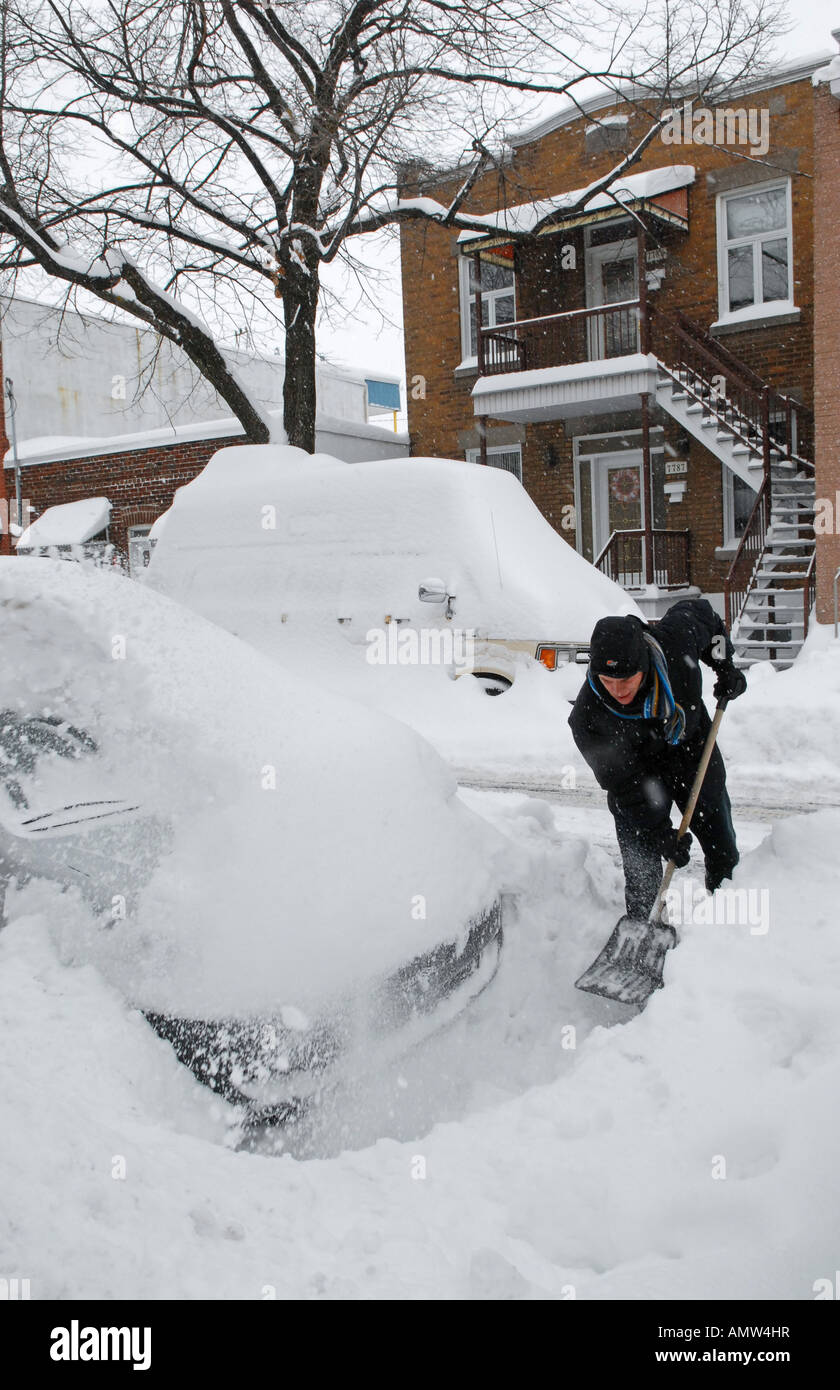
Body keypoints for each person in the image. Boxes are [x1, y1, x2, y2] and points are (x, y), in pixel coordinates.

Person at [569, 600, 747, 921]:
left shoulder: (677, 641)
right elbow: (625, 784)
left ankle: (728, 925)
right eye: (608, 681)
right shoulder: (589, 718)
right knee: (641, 867)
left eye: (626, 679)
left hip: (691, 750)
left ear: (645, 664)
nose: (617, 690)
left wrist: (725, 667)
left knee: (722, 850)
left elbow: (708, 621)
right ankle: (643, 928)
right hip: (638, 773)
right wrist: (658, 830)